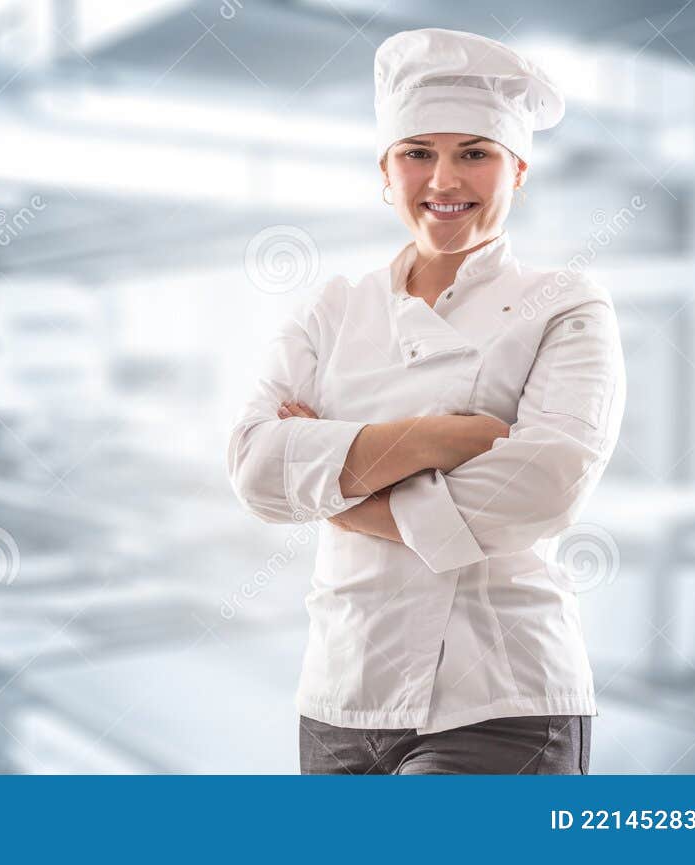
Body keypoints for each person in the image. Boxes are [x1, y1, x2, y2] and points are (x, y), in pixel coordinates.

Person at [225, 28, 626, 774]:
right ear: (386, 170)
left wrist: (332, 484)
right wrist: (439, 437)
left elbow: (540, 487)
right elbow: (254, 467)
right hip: (339, 694)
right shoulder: (332, 307)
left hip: (500, 696)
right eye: (418, 152)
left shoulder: (564, 303)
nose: (444, 177)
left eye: (475, 152)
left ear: (518, 171)